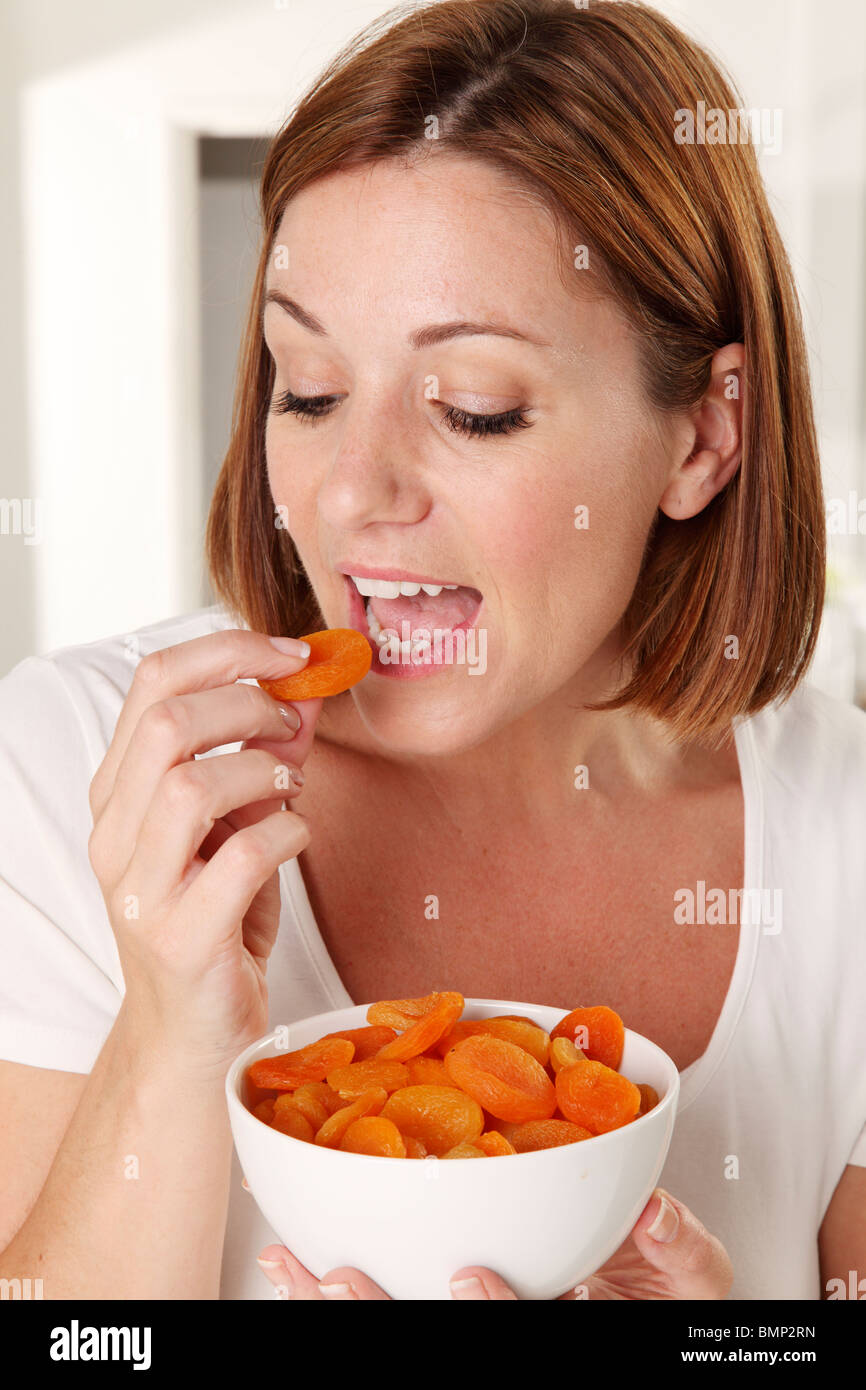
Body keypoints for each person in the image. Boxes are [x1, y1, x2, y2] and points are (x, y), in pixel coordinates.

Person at [0, 0, 863, 1302]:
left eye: (474, 407)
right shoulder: (80, 764)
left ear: (701, 437)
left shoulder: (842, 839)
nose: (351, 493)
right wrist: (172, 1030)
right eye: (309, 387)